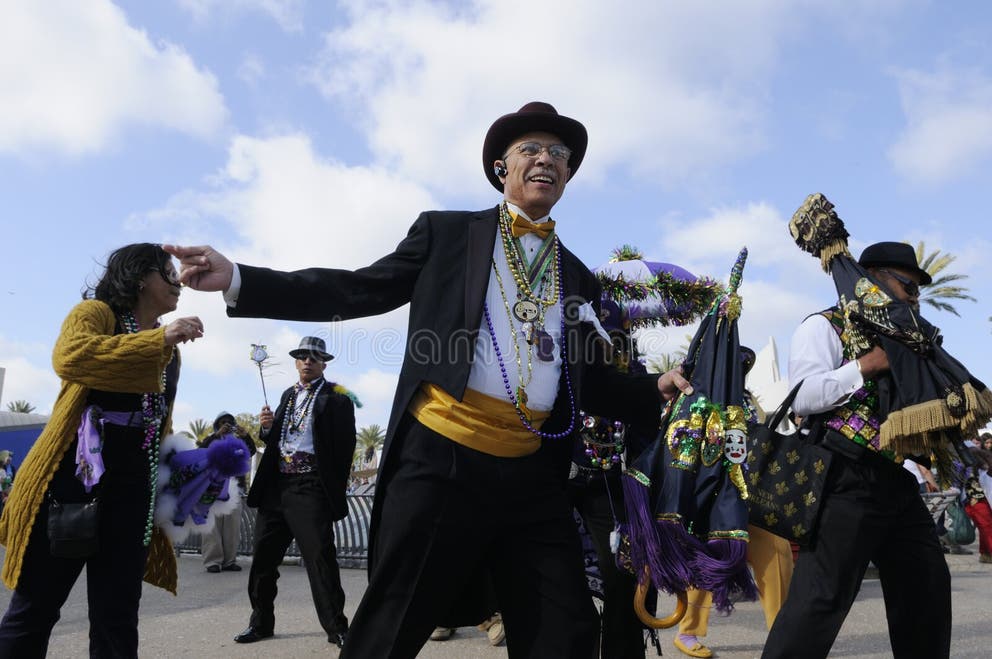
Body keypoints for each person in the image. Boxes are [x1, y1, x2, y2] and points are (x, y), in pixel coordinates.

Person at [166, 101, 690, 659]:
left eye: (559, 154)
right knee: (391, 625)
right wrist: (244, 279)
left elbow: (589, 381)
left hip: (534, 476)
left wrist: (652, 388)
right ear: (501, 168)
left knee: (565, 631)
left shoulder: (576, 273)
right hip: (443, 461)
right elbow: (357, 288)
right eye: (530, 150)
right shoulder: (448, 234)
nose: (547, 161)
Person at [0, 243, 203, 657]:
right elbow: (71, 358)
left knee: (118, 617)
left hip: (131, 491)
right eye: (168, 272)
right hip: (71, 483)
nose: (178, 282)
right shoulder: (97, 314)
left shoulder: (170, 352)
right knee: (36, 608)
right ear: (141, 276)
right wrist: (157, 340)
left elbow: (156, 425)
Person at [762, 241, 951, 658]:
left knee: (927, 590)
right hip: (841, 475)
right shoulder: (825, 325)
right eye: (909, 287)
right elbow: (801, 398)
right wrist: (867, 365)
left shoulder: (906, 343)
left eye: (918, 291)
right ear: (874, 281)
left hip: (894, 480)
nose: (915, 300)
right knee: (820, 600)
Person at [232, 337, 357, 648]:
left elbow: (345, 449)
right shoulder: (288, 395)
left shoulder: (338, 398)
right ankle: (260, 623)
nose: (307, 362)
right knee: (262, 559)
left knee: (320, 559)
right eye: (301, 357)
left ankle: (337, 628)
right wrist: (265, 428)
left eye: (314, 357)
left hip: (310, 487)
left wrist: (330, 493)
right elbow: (276, 440)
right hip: (277, 486)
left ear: (324, 363)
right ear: (296, 362)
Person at [199, 411, 256, 573]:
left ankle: (229, 561)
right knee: (211, 527)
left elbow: (250, 451)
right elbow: (201, 450)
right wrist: (216, 435)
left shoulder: (238, 444)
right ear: (217, 425)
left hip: (234, 492)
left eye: (229, 422)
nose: (226, 425)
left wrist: (246, 436)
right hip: (211, 490)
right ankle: (212, 561)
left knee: (232, 527)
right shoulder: (210, 441)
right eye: (222, 422)